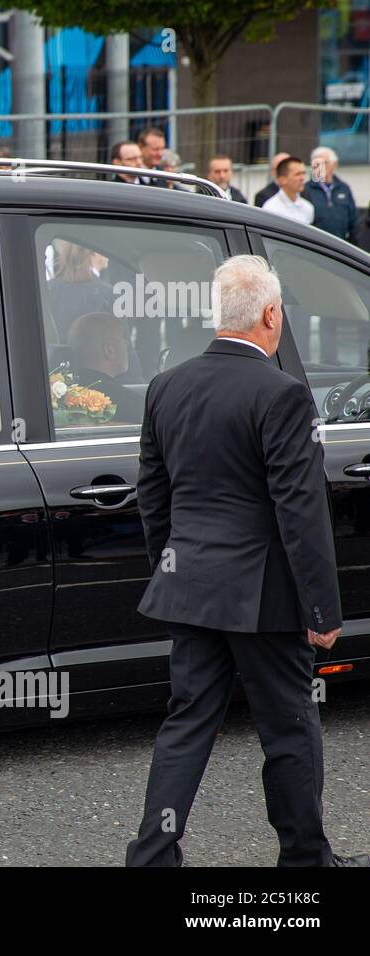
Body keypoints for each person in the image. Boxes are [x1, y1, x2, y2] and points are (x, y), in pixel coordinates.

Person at [127, 254, 368, 868]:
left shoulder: (166, 386)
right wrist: (322, 607)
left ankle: (152, 855)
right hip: (262, 597)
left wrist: (171, 570)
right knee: (289, 729)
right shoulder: (282, 394)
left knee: (185, 726)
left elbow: (154, 497)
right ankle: (305, 859)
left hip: (191, 589)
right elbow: (301, 510)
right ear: (269, 314)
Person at [66, 311, 142, 423]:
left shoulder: (64, 394)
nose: (127, 343)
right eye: (123, 338)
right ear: (109, 350)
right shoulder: (127, 402)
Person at [302, 146, 357, 243]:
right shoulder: (305, 189)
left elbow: (353, 221)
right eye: (316, 164)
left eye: (324, 163)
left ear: (334, 165)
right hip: (315, 245)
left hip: (341, 245)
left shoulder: (344, 188)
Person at [261, 157, 314, 225]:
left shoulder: (308, 208)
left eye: (303, 173)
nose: (302, 178)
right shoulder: (270, 209)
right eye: (297, 174)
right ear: (282, 180)